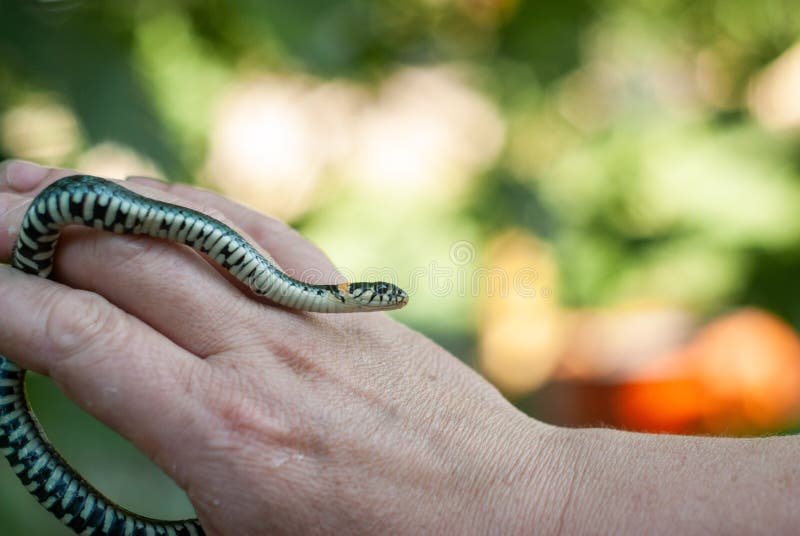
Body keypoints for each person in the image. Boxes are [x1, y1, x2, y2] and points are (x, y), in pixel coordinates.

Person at [0, 159, 797, 535]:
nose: (387, 304)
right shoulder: (306, 290)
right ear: (357, 298)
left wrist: (530, 501)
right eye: (379, 297)